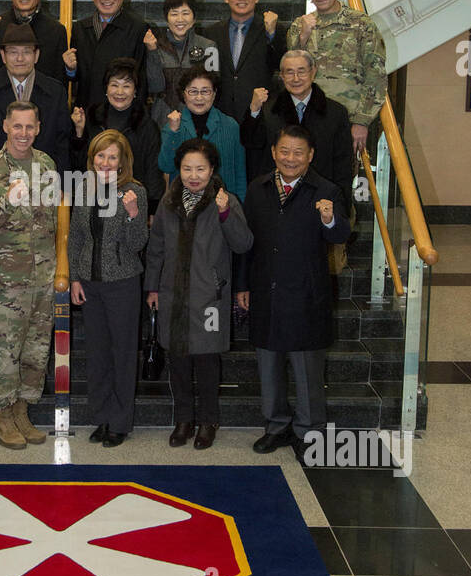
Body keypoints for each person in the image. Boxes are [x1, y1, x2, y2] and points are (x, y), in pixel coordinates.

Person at [235, 125, 352, 464]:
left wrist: (330, 220)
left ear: (310, 155)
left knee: (306, 370)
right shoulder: (257, 188)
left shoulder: (326, 190)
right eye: (284, 151)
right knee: (268, 364)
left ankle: (309, 431)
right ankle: (276, 425)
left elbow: (340, 234)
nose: (290, 158)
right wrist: (242, 284)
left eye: (298, 152)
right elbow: (245, 243)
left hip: (306, 293)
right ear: (273, 151)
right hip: (265, 290)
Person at [145, 137, 252, 449]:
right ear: (178, 169)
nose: (193, 175)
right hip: (173, 294)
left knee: (206, 361)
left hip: (210, 298)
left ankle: (208, 420)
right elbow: (156, 248)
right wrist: (153, 286)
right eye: (187, 168)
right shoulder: (168, 203)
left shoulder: (226, 201)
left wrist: (224, 214)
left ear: (212, 169)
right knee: (177, 359)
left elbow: (243, 244)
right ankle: (183, 419)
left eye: (200, 169)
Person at [0, 101, 58, 449]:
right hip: (5, 284)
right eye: (17, 127)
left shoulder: (46, 165)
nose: (23, 134)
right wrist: (7, 201)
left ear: (38, 128)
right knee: (5, 351)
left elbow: (52, 222)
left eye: (29, 127)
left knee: (35, 352)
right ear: (5, 126)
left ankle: (22, 411)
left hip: (42, 281)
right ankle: (2, 417)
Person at [68, 130, 148, 447]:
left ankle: (120, 421)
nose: (105, 162)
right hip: (90, 284)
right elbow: (75, 236)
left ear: (123, 160)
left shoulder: (134, 192)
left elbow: (138, 243)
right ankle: (101, 417)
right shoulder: (85, 188)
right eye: (100, 156)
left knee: (123, 354)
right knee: (98, 354)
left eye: (112, 156)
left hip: (123, 283)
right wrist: (74, 277)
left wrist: (132, 216)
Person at [287, 0, 387, 158]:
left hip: (347, 120)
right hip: (306, 120)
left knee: (340, 180)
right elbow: (290, 69)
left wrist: (362, 121)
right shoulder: (300, 25)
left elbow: (376, 75)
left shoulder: (361, 24)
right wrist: (303, 36)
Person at [0, 22, 71, 174]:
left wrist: (62, 188)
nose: (20, 58)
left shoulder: (55, 91)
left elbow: (63, 144)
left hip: (41, 178)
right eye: (13, 52)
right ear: (3, 56)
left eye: (26, 52)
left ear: (36, 55)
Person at [240, 49, 354, 194]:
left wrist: (339, 206)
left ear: (313, 72)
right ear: (281, 76)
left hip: (320, 198)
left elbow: (342, 166)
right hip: (276, 197)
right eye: (289, 72)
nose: (296, 78)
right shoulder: (268, 109)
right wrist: (254, 110)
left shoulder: (336, 113)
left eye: (301, 71)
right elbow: (251, 143)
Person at [71, 58, 163, 215]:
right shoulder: (91, 118)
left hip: (130, 203)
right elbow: (80, 166)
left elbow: (153, 172)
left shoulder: (146, 125)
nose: (120, 92)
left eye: (126, 86)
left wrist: (151, 210)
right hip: (94, 200)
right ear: (106, 88)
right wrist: (79, 132)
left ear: (135, 91)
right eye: (114, 85)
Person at [65, 0, 156, 112]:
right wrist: (70, 69)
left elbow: (142, 79)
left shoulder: (138, 28)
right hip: (88, 112)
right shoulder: (80, 28)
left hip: (124, 112)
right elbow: (75, 77)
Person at [205, 0, 288, 123]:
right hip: (221, 112)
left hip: (260, 113)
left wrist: (271, 35)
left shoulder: (273, 29)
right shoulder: (212, 32)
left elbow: (281, 66)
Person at [158, 65, 247, 200]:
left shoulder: (231, 125)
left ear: (214, 93)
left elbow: (240, 173)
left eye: (205, 91)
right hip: (183, 204)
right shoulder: (173, 125)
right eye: (193, 91)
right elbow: (166, 166)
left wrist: (238, 206)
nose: (199, 97)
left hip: (221, 205)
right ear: (184, 94)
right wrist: (173, 132)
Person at [146, 0, 219, 128]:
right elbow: (155, 86)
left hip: (198, 119)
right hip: (162, 119)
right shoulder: (155, 46)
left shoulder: (209, 47)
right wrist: (152, 52)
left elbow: (213, 90)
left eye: (185, 13)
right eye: (174, 14)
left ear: (194, 18)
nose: (180, 19)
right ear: (166, 19)